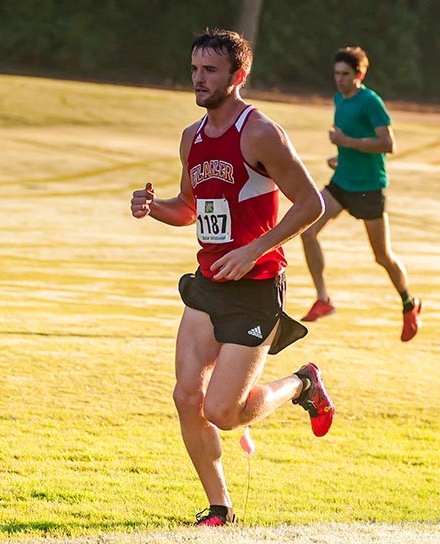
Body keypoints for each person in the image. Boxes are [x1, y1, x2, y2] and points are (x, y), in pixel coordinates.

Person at [130, 29, 335, 527]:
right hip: (207, 283)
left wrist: (255, 249)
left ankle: (303, 383)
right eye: (195, 69)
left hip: (256, 286)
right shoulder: (191, 137)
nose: (199, 80)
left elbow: (312, 204)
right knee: (186, 397)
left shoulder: (260, 132)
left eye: (211, 71)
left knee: (224, 411)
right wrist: (152, 207)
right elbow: (188, 208)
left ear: (237, 76)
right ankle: (219, 507)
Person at [299, 46, 422, 342]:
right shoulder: (339, 99)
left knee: (381, 256)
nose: (339, 80)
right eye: (336, 74)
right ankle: (323, 299)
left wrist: (347, 143)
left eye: (345, 75)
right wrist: (341, 157)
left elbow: (387, 144)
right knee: (307, 230)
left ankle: (408, 303)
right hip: (342, 182)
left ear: (359, 74)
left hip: (368, 189)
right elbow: (349, 144)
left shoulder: (371, 102)